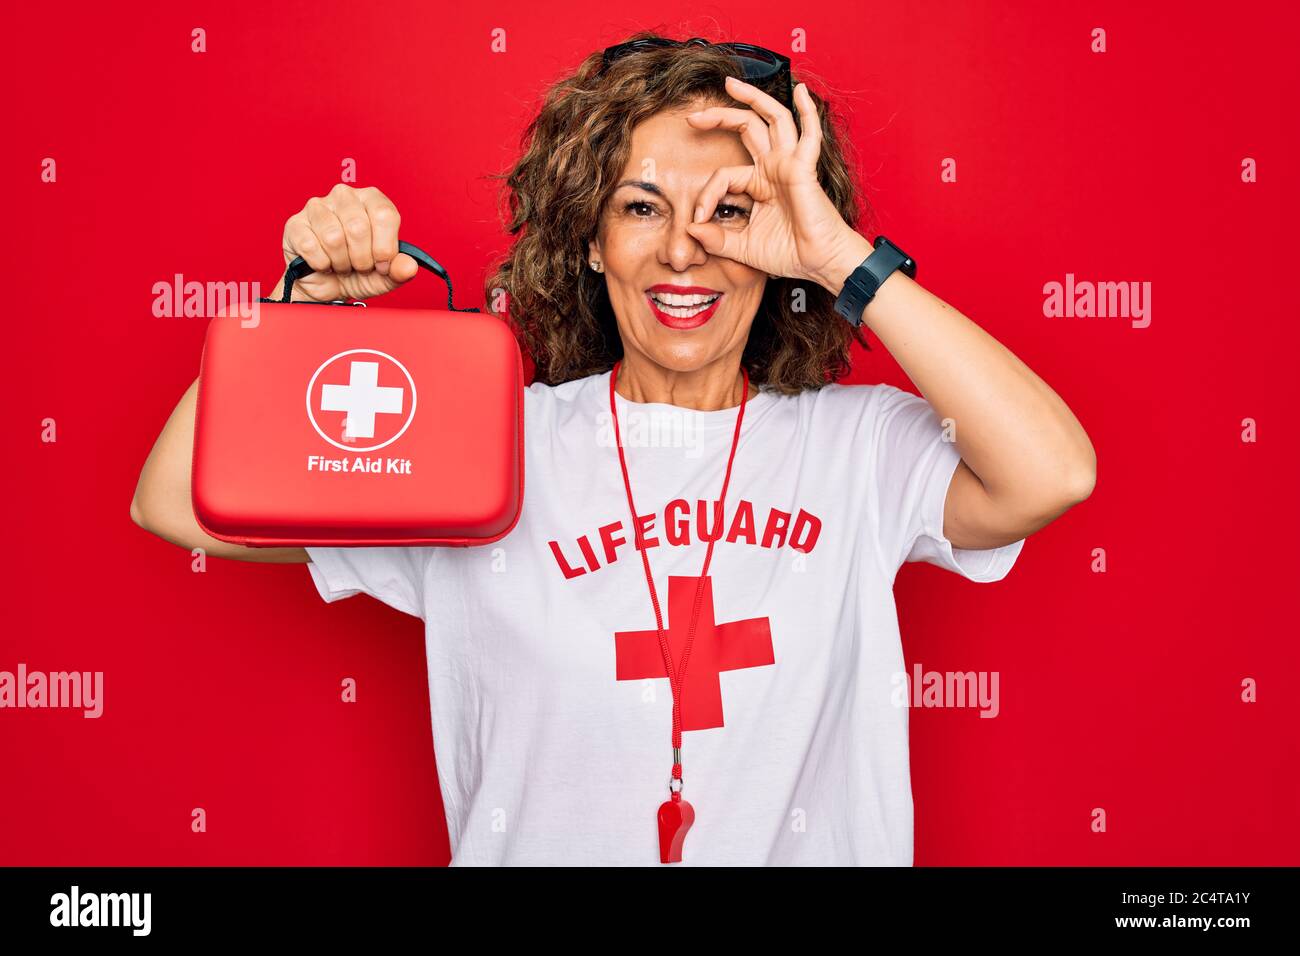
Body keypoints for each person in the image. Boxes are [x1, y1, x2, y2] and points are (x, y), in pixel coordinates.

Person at [131, 33, 1095, 866]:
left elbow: (1053, 473)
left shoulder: (857, 449)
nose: (683, 250)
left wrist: (839, 257)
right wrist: (303, 311)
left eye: (728, 209)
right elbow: (176, 502)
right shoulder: (485, 447)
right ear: (590, 239)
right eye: (641, 208)